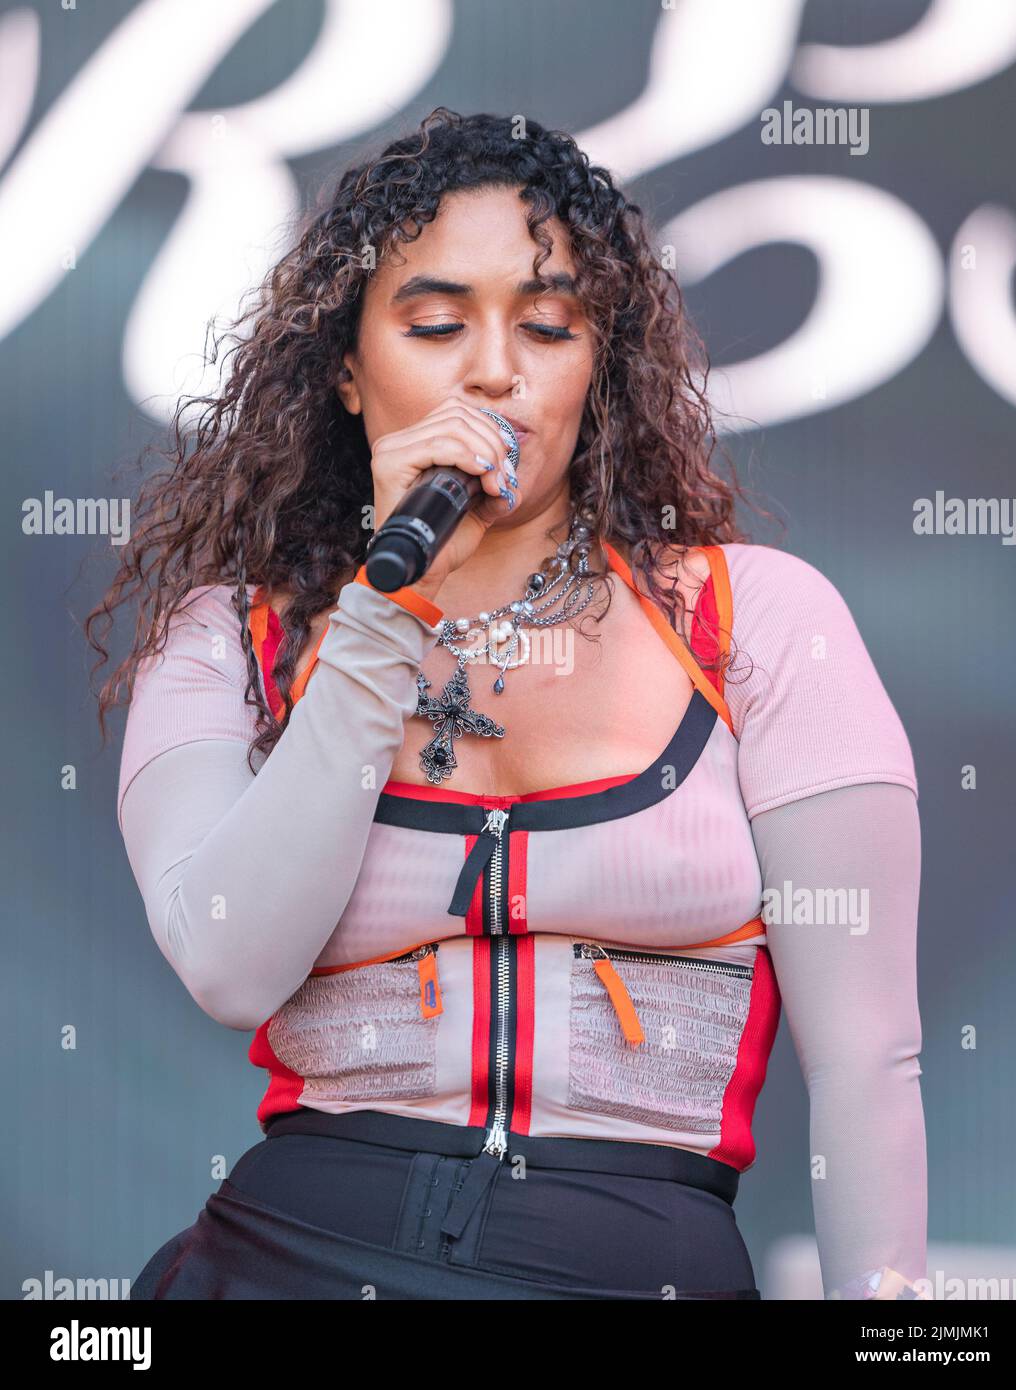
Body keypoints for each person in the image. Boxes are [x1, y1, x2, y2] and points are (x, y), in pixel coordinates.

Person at [88, 108, 928, 1300]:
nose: (494, 368)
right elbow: (229, 964)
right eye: (434, 323)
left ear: (599, 362)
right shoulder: (232, 637)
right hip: (293, 1255)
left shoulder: (756, 622)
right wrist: (383, 611)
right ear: (342, 365)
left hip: (636, 1262)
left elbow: (866, 1056)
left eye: (546, 324)